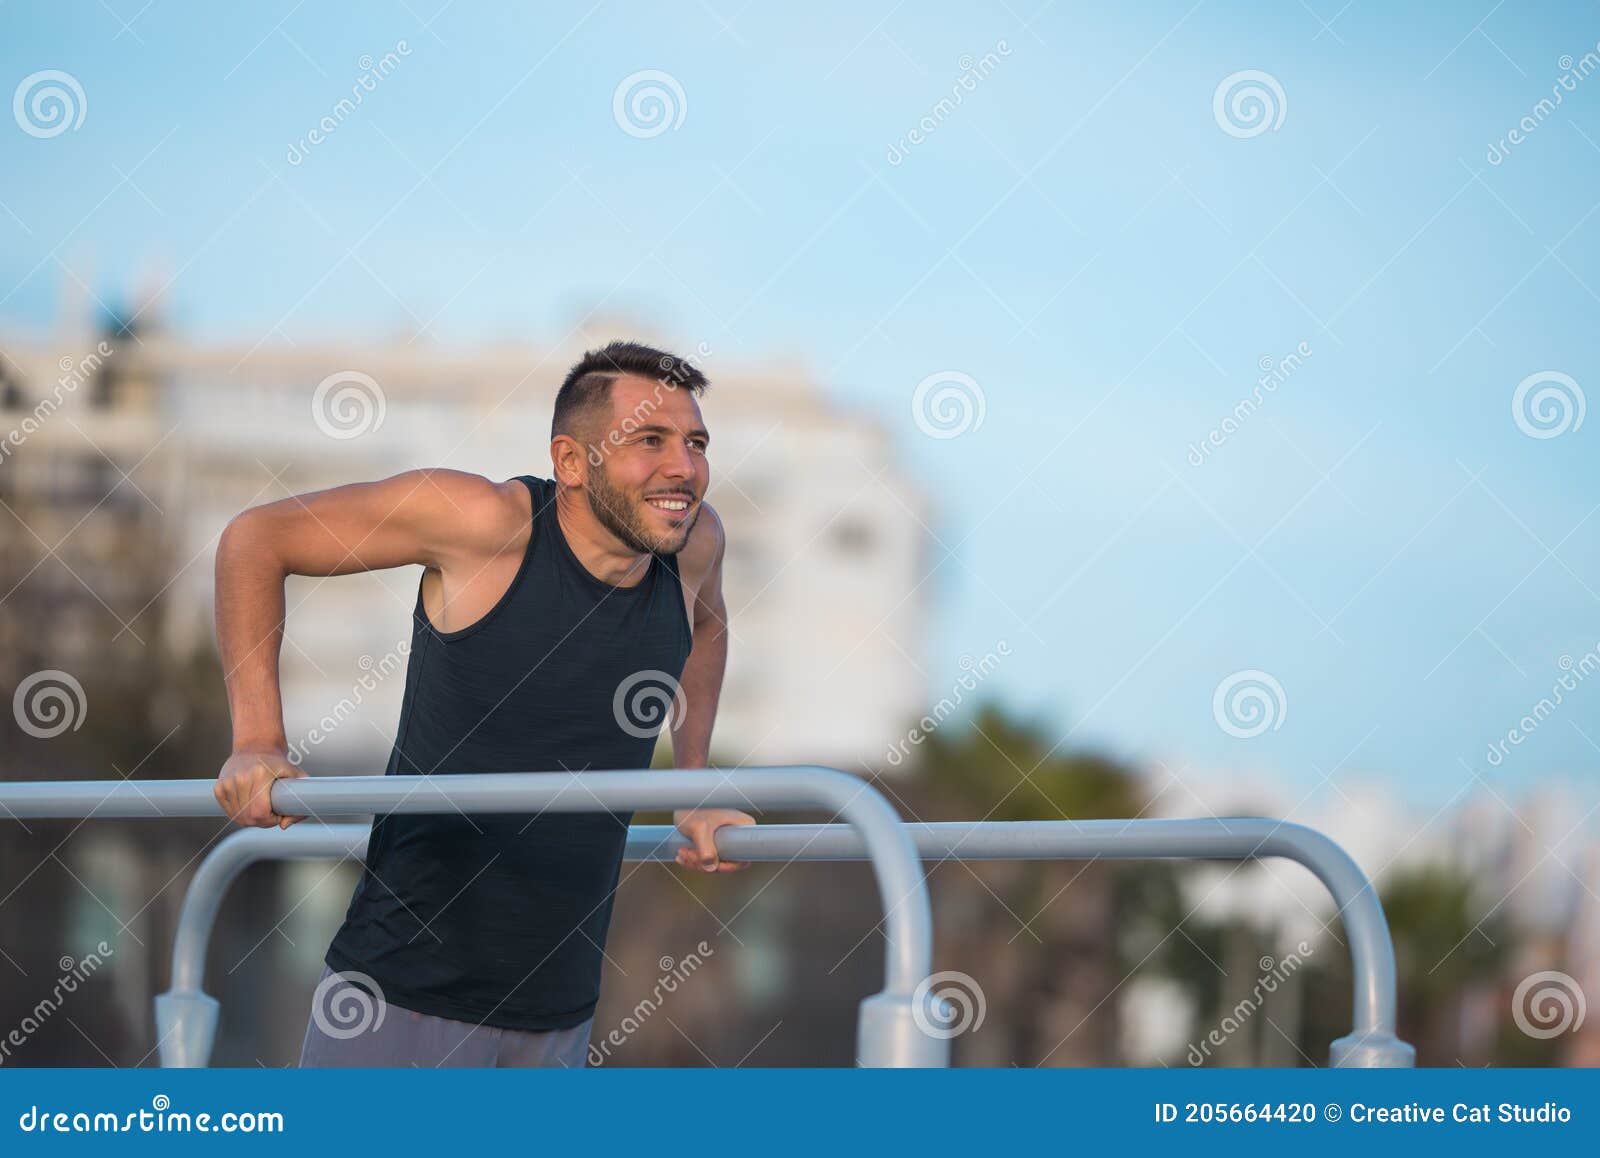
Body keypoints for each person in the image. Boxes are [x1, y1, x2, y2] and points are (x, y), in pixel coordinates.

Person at [211, 339, 753, 1067]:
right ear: (570, 461)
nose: (684, 468)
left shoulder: (695, 547)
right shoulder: (481, 523)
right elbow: (256, 541)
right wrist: (257, 739)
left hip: (560, 1010)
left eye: (695, 443)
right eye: (649, 440)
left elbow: (709, 627)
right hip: (400, 993)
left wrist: (691, 784)